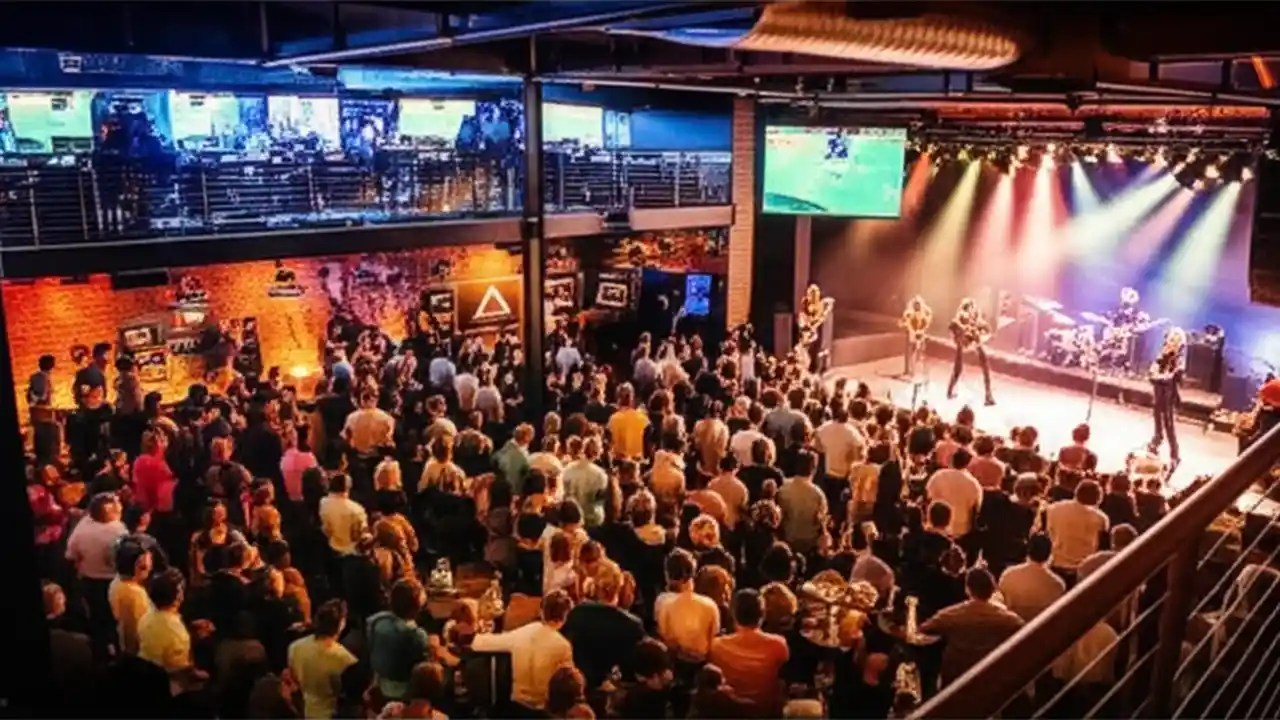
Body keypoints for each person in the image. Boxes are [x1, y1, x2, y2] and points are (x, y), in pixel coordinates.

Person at [472, 589, 575, 712]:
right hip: (546, 711)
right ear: (565, 616)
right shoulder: (563, 645)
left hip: (517, 709)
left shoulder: (522, 633)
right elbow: (570, 686)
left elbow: (477, 643)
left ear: (541, 612)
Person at [920, 567, 1025, 686]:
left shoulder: (952, 614)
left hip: (956, 678)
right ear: (992, 589)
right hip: (990, 676)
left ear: (967, 589)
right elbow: (1022, 629)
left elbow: (924, 629)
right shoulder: (1007, 618)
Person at [560, 562, 645, 690]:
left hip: (579, 684)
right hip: (615, 687)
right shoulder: (633, 625)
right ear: (619, 587)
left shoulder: (574, 614)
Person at [709, 588, 790, 715]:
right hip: (764, 711)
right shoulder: (778, 644)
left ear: (733, 615)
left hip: (730, 712)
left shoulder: (716, 645)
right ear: (763, 615)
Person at [66, 492, 129, 650]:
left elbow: (70, 555)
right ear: (110, 511)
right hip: (112, 583)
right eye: (117, 504)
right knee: (114, 621)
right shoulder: (119, 531)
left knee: (96, 620)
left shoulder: (84, 524)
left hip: (88, 581)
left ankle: (99, 652)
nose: (121, 506)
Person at [288, 599, 358, 719]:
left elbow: (294, 679)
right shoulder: (345, 659)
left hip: (303, 711)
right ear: (341, 623)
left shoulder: (295, 647)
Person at [367, 579, 431, 702]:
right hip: (406, 691)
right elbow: (421, 668)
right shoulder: (415, 635)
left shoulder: (376, 622)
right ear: (417, 606)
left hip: (380, 685)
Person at [655, 548, 720, 664]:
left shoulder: (662, 601)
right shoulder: (709, 605)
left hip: (673, 665)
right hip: (702, 664)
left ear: (667, 575)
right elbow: (713, 643)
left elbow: (664, 637)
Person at [1044, 480, 1109, 585]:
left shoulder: (1053, 509)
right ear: (1098, 498)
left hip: (1056, 564)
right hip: (1083, 568)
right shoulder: (1100, 518)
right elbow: (1101, 546)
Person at [997, 533, 1066, 622]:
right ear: (1049, 554)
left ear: (1027, 550)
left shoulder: (1008, 575)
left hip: (1014, 631)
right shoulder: (1058, 585)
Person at [926, 448, 983, 544]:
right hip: (961, 529)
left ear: (951, 460)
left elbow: (928, 496)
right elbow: (976, 507)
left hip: (937, 527)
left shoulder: (938, 476)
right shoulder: (973, 483)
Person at [776, 449, 827, 555]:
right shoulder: (818, 494)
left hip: (787, 540)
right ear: (814, 469)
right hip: (809, 544)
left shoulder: (783, 489)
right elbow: (821, 521)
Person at [109, 537, 154, 656]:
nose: (149, 568)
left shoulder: (117, 581)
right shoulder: (135, 594)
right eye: (144, 566)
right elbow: (135, 632)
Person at [946, 297, 995, 405]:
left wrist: (979, 337)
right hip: (963, 341)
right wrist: (960, 334)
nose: (970, 311)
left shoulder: (977, 321)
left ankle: (988, 394)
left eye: (971, 309)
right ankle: (950, 391)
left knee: (984, 364)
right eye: (968, 308)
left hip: (973, 340)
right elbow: (951, 327)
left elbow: (988, 332)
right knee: (958, 367)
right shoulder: (959, 319)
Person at [1148, 327, 1187, 463]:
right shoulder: (1162, 355)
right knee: (1157, 419)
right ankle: (1156, 441)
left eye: (1175, 340)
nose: (1171, 343)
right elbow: (1153, 370)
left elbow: (1174, 376)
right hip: (1158, 393)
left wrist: (1160, 377)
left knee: (1168, 424)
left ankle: (1174, 454)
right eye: (1170, 339)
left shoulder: (1180, 359)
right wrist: (1157, 375)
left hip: (1169, 395)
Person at [320, 473, 368, 557]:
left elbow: (325, 530)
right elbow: (358, 536)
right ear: (348, 488)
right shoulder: (357, 509)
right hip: (351, 553)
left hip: (329, 550)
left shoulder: (323, 503)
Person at [899, 294, 933, 377]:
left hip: (920, 335)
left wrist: (921, 331)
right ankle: (911, 370)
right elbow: (904, 322)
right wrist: (911, 329)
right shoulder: (910, 314)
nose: (917, 306)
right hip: (913, 335)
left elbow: (927, 319)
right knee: (913, 352)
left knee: (920, 352)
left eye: (918, 304)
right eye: (915, 304)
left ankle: (918, 369)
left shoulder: (923, 314)